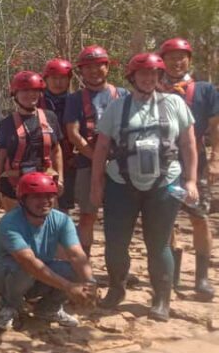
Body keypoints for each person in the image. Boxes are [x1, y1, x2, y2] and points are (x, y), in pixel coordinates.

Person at [91, 53, 198, 321]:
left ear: (159, 76)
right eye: (143, 74)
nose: (148, 78)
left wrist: (191, 181)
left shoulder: (174, 103)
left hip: (164, 183)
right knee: (116, 243)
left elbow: (188, 144)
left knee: (158, 244)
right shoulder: (117, 107)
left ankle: (161, 298)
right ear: (132, 77)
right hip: (121, 182)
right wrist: (96, 185)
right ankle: (116, 288)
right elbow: (102, 147)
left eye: (153, 74)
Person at [0, 172, 96, 331]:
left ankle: (48, 309)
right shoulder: (10, 222)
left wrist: (90, 284)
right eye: (37, 196)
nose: (45, 201)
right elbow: (28, 261)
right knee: (24, 269)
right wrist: (69, 287)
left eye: (49, 196)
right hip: (5, 276)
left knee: (74, 270)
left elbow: (76, 255)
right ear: (23, 200)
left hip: (39, 272)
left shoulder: (62, 220)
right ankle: (10, 306)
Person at [159, 37, 217, 299]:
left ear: (189, 60)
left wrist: (216, 159)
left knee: (199, 216)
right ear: (163, 61)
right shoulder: (154, 88)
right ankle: (171, 273)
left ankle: (201, 277)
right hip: (162, 163)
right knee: (166, 218)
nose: (176, 62)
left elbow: (216, 127)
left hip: (196, 162)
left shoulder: (205, 90)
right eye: (171, 58)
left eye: (181, 57)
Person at [64, 45, 128, 256]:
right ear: (81, 71)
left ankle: (117, 262)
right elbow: (73, 134)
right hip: (87, 164)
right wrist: (98, 159)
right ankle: (84, 263)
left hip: (121, 167)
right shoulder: (75, 99)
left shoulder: (123, 95)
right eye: (88, 67)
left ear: (107, 67)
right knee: (87, 215)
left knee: (118, 217)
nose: (94, 71)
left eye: (98, 66)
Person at [0, 71, 64, 211]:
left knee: (47, 222)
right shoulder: (6, 124)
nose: (30, 95)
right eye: (24, 91)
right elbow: (1, 157)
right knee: (17, 223)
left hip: (45, 184)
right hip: (14, 185)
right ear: (15, 94)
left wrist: (60, 179)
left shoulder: (50, 117)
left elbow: (56, 150)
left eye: (34, 91)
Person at [41, 58, 77, 212]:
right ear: (46, 79)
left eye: (63, 78)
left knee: (63, 205)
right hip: (42, 161)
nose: (58, 82)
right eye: (54, 78)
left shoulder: (76, 101)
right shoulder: (36, 101)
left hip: (69, 161)